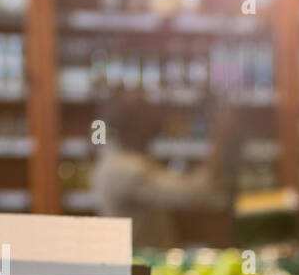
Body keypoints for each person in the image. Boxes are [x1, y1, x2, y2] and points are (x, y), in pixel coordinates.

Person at [91, 95, 242, 248]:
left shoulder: (113, 161)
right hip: (142, 265)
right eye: (148, 119)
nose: (156, 126)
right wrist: (220, 139)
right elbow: (193, 192)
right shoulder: (126, 170)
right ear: (134, 125)